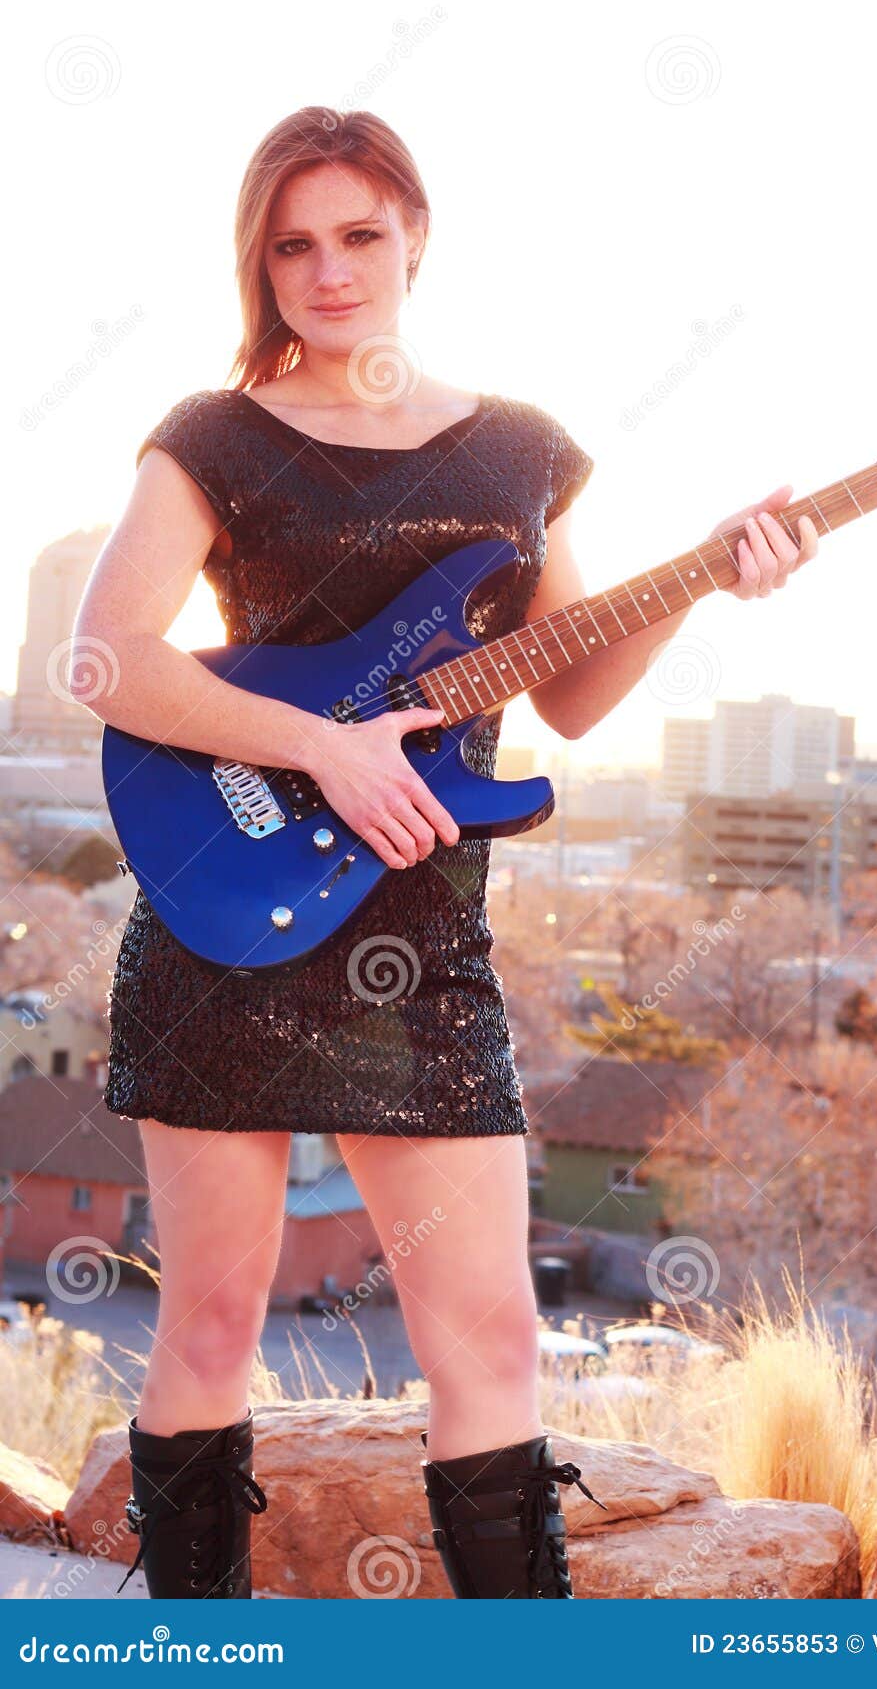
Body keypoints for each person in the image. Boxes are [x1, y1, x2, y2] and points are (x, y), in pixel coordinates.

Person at [72, 106, 817, 1600]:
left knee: (485, 1339)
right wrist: (327, 746)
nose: (329, 270)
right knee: (211, 1326)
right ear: (259, 263)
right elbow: (106, 661)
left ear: (416, 235)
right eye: (294, 244)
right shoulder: (214, 436)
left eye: (358, 234)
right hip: (227, 922)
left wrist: (704, 588)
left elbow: (573, 690)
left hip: (425, 946)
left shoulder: (518, 451)